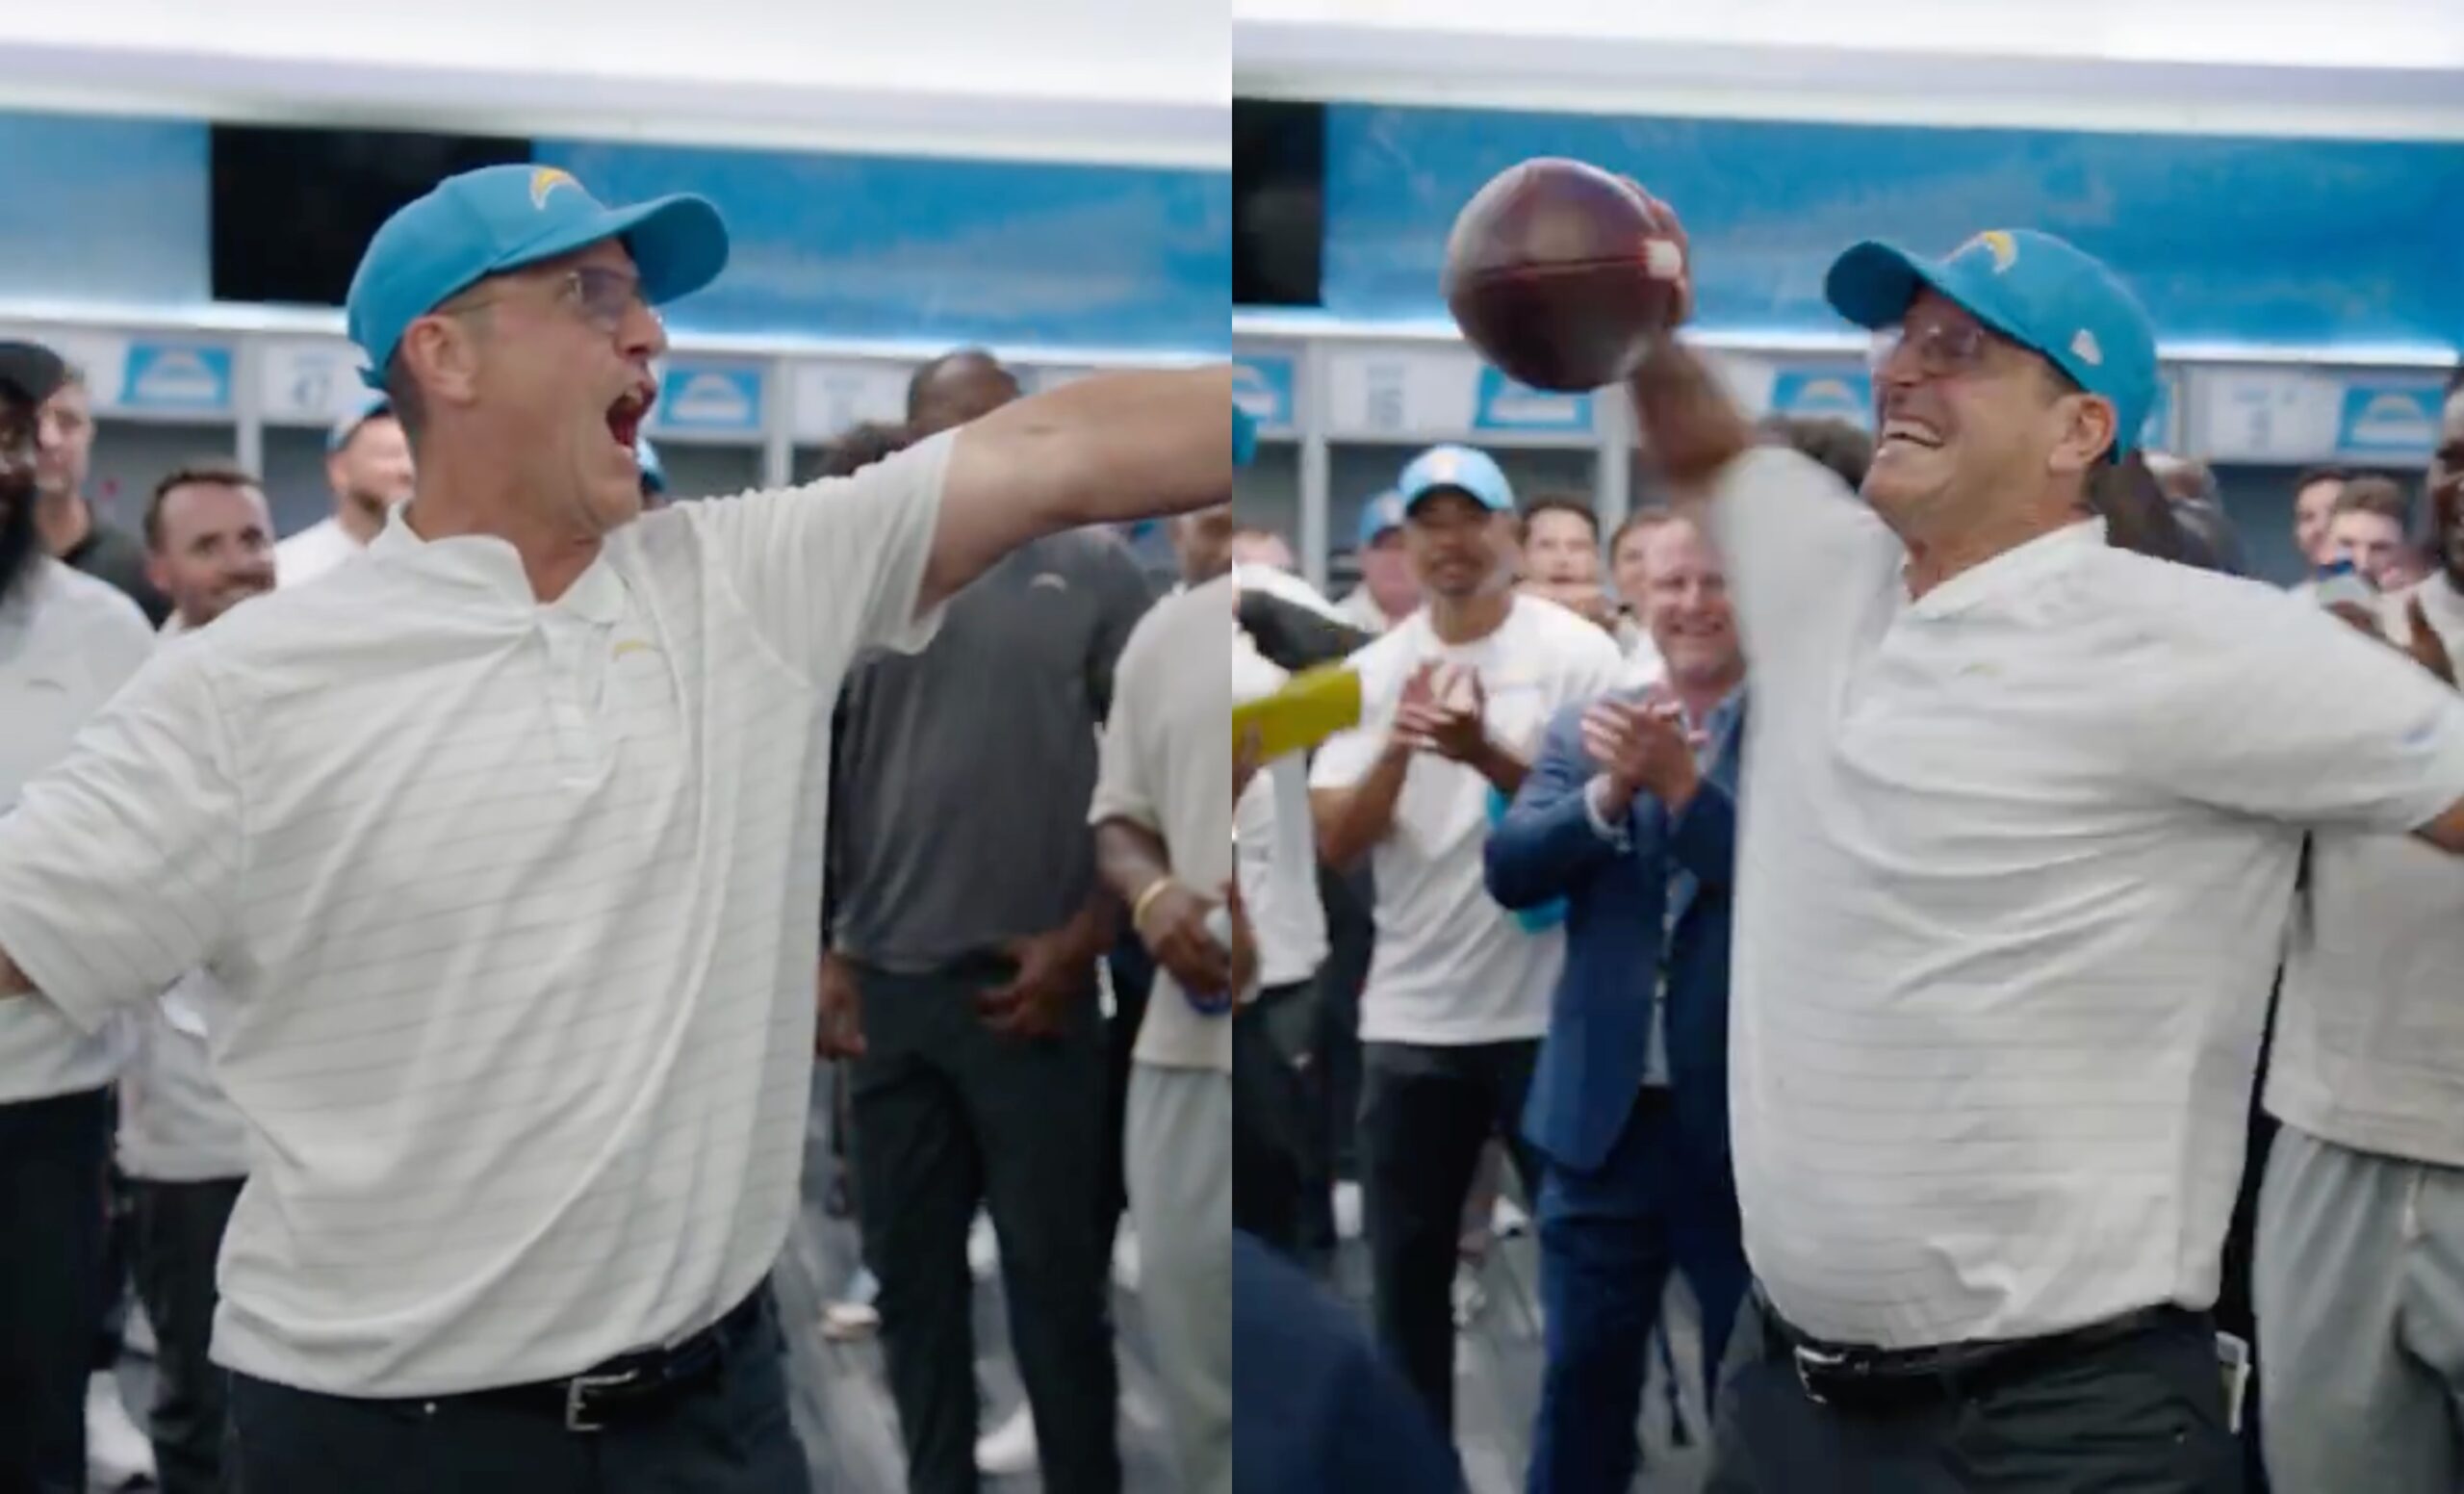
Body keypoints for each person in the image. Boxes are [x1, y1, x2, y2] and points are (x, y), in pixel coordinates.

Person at [0, 164, 1232, 1494]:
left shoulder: (750, 581)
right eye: (591, 296)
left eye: (643, 303)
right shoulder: (248, 685)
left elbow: (1050, 454)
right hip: (385, 1437)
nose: (648, 335)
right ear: (444, 355)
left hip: (717, 1417)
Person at [1616, 219, 2464, 1492]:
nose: (1902, 372)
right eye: (1899, 344)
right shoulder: (1818, 571)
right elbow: (1706, 442)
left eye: (1959, 349)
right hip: (1784, 1399)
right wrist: (1637, 311)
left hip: (2061, 1434)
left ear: (2079, 433)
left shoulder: (2197, 642)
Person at [815, 346, 1158, 1494]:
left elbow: (1163, 777)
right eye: (955, 431)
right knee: (913, 1292)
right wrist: (817, 949)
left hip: (1039, 992)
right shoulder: (844, 576)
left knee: (1057, 1291)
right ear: (913, 440)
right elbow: (799, 778)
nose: (981, 454)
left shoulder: (1099, 572)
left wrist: (1089, 934)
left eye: (1005, 428)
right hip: (884, 996)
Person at [1308, 443, 1626, 1434]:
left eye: (1467, 518)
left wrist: (1482, 748)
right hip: (1414, 1018)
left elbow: (1599, 822)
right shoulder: (1366, 673)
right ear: (1402, 542)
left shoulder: (1577, 655)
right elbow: (1336, 840)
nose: (1447, 542)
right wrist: (1401, 749)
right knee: (1404, 1286)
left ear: (1507, 536)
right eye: (1426, 523)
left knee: (1585, 1275)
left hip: (1548, 1012)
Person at [1486, 510, 1749, 1494]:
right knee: (1580, 1385)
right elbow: (1511, 868)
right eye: (1671, 583)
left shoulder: (1803, 729)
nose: (1690, 605)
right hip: (1601, 1125)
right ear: (1636, 591)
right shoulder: (1585, 725)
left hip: (1742, 1132)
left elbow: (1786, 881)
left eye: (1713, 584)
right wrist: (1604, 796)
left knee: (1754, 1394)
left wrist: (1681, 786)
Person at [2251, 369, 2464, 1494]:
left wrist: (2435, 730)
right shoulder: (2335, 643)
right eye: (2453, 458)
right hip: (2339, 1143)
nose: (2461, 486)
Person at [0, 355, 155, 1494]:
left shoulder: (102, 633)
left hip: (42, 1113)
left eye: (12, 439)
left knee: (33, 1415)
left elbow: (143, 859)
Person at [123, 458, 279, 1494]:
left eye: (253, 540)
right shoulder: (134, 710)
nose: (238, 565)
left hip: (330, 1119)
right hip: (192, 1132)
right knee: (201, 1394)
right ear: (162, 568)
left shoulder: (337, 673)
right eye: (209, 546)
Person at [1088, 560, 1245, 1494]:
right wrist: (1151, 895)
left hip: (1294, 1049)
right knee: (1195, 1365)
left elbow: (1360, 731)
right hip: (1181, 1043)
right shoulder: (1161, 633)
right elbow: (1118, 815)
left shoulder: (1299, 626)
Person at [0, 342, 172, 627]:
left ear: (89, 434)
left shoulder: (136, 573)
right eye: (30, 424)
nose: (50, 440)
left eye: (68, 422)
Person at [275, 393, 414, 585]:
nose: (408, 470)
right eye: (390, 454)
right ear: (339, 470)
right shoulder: (289, 571)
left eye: (419, 456)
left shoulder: (448, 569)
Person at [1336, 490, 1419, 634]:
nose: (1394, 559)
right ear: (1362, 556)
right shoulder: (1335, 627)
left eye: (1405, 546)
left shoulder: (1456, 627)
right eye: (1383, 547)